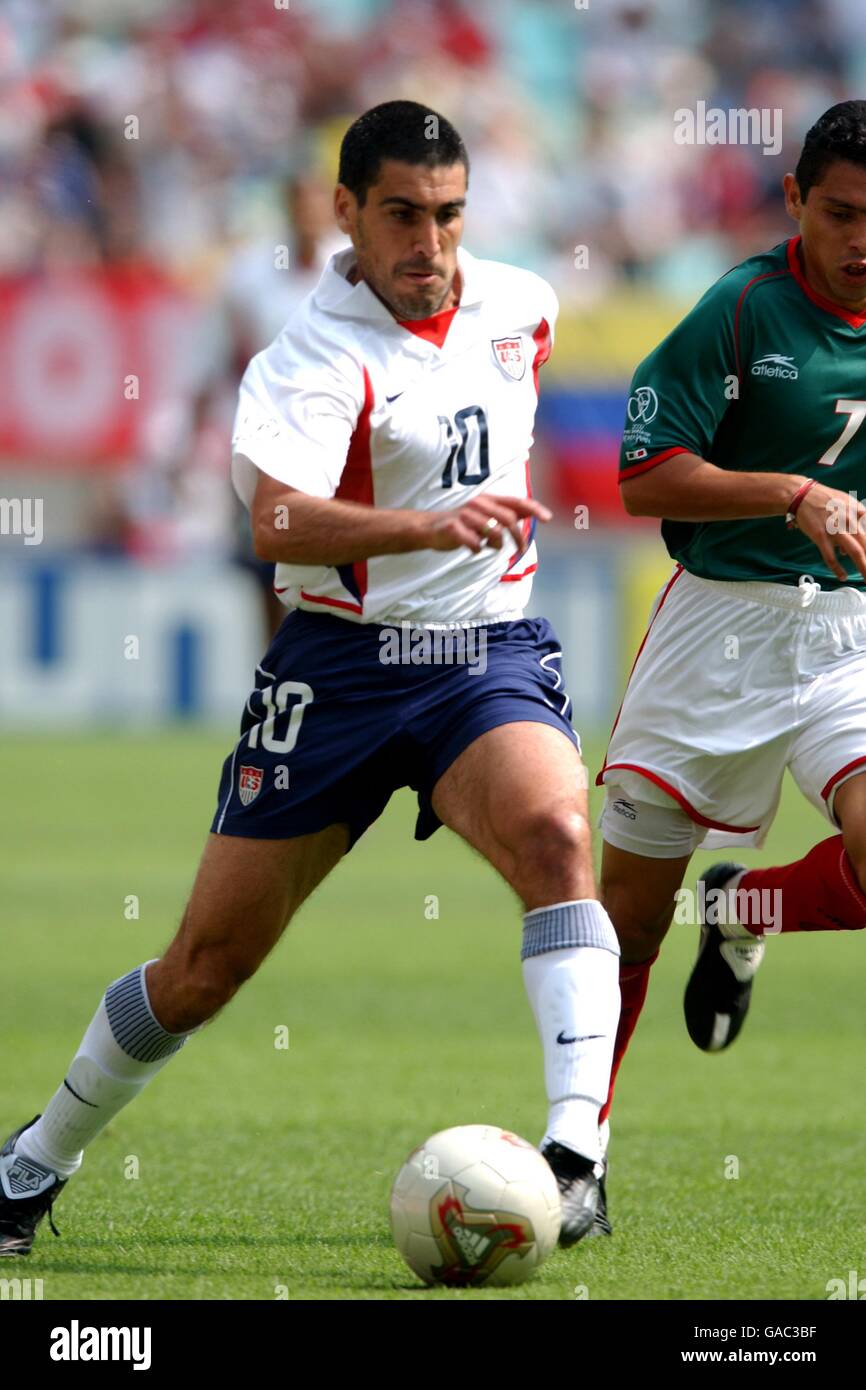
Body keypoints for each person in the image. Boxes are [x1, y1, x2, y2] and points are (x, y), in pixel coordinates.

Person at [0, 100, 619, 1258]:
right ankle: (32, 1163)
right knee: (202, 970)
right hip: (336, 670)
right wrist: (424, 527)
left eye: (446, 214)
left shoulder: (521, 306)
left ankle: (576, 1157)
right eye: (400, 214)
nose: (427, 242)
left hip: (479, 655)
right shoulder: (311, 352)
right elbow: (277, 520)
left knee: (553, 832)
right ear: (346, 212)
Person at [595, 101, 866, 1174]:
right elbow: (641, 472)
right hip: (718, 625)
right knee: (624, 921)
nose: (861, 243)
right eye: (840, 214)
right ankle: (581, 1152)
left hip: (844, 632)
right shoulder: (742, 310)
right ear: (793, 200)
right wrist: (788, 491)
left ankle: (748, 905)